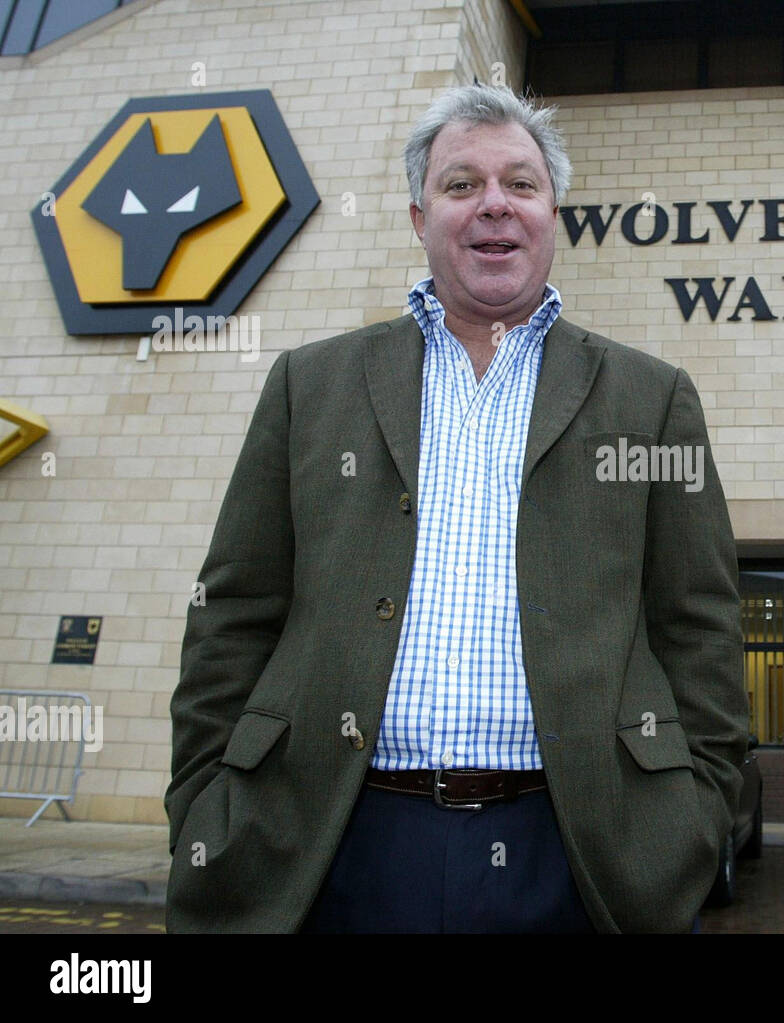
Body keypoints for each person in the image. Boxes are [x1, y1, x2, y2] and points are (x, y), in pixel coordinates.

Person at [164, 83, 749, 934]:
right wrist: (201, 801)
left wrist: (693, 822)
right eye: (461, 184)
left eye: (521, 183)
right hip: (331, 840)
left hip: (583, 851)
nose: (494, 207)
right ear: (417, 215)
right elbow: (235, 612)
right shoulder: (308, 383)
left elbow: (700, 624)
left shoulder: (652, 398)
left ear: (554, 213)